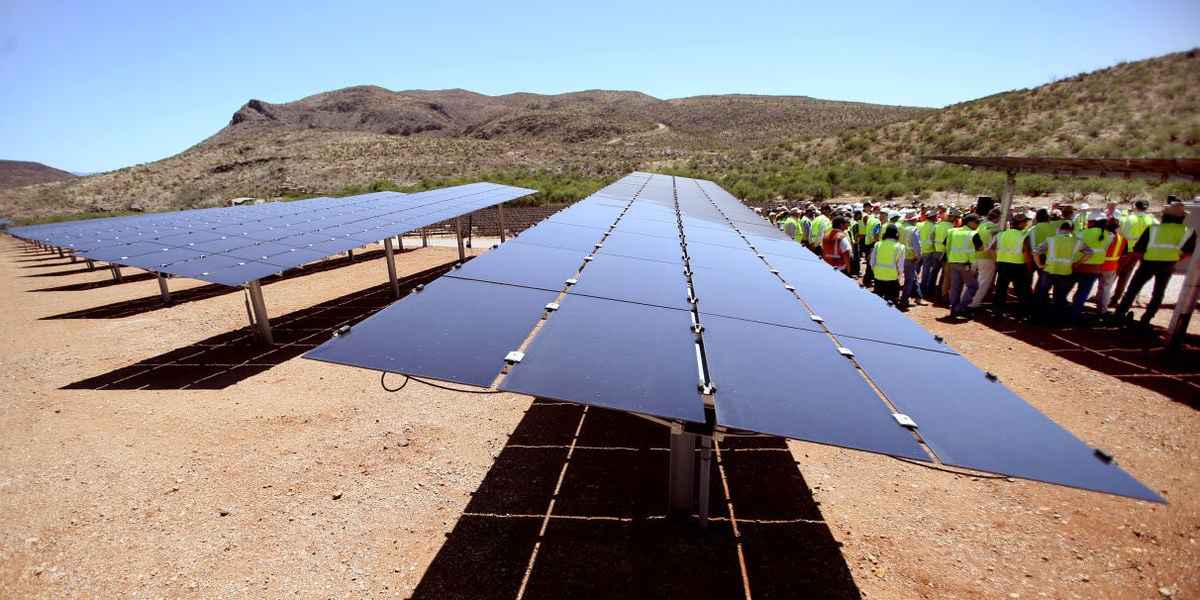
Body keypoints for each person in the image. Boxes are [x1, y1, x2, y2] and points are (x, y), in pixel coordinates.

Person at [1113, 202, 1196, 327]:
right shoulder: (1188, 231)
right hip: (1168, 264)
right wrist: (1175, 259)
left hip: (1148, 262)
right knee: (1158, 293)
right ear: (1182, 217)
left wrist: (1142, 261)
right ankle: (1146, 319)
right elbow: (1189, 252)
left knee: (1132, 290)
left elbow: (1139, 249)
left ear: (1165, 216)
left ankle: (1119, 315)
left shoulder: (1153, 228)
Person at [1032, 221, 1092, 326]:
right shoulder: (1077, 241)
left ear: (1060, 229)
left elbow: (1036, 251)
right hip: (1065, 272)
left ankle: (1035, 317)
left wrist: (1039, 265)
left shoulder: (1051, 240)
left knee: (1041, 294)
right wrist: (1078, 264)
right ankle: (1055, 320)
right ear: (1072, 230)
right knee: (1058, 296)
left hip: (1049, 270)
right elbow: (1089, 253)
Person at [1070, 210, 1115, 323]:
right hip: (1094, 268)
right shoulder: (1110, 236)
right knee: (1083, 292)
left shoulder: (1081, 233)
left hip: (1077, 265)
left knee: (1066, 288)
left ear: (1093, 222)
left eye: (1089, 221)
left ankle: (1060, 311)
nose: (1087, 223)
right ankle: (1073, 315)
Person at [1112, 199, 1157, 303]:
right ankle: (1117, 297)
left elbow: (1117, 234)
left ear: (1135, 207)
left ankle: (1103, 297)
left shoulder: (1126, 219)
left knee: (1113, 274)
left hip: (1125, 251)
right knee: (1126, 276)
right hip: (1141, 252)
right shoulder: (1153, 221)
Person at [992, 212, 1034, 319]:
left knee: (1001, 289)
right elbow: (1026, 254)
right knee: (1021, 290)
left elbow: (991, 249)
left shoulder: (1002, 234)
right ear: (1021, 223)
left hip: (1003, 265)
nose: (1026, 224)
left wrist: (997, 260)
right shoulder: (1024, 236)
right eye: (1025, 222)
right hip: (1018, 265)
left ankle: (997, 311)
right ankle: (1021, 312)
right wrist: (1028, 268)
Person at [945, 213, 983, 318]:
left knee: (955, 287)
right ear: (970, 222)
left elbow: (947, 246)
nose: (978, 224)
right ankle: (961, 307)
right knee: (973, 286)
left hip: (954, 262)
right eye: (977, 222)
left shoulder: (954, 232)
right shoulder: (973, 234)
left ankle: (953, 308)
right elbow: (981, 248)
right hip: (966, 264)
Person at [968, 208, 1002, 311]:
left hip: (975, 256)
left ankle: (964, 298)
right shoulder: (996, 229)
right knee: (983, 283)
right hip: (987, 258)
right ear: (997, 218)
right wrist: (996, 260)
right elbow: (994, 247)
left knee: (970, 280)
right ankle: (974, 303)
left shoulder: (980, 226)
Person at [1095, 213, 1126, 317]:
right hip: (1111, 267)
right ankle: (1102, 309)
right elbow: (1123, 255)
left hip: (1097, 264)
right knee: (1105, 288)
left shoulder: (1102, 236)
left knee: (1092, 286)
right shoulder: (1122, 239)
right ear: (1118, 227)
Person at [870, 224, 904, 304]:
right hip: (892, 278)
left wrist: (875, 271)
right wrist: (898, 277)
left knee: (877, 301)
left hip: (878, 276)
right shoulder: (900, 247)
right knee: (890, 303)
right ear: (896, 234)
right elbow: (900, 266)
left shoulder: (878, 244)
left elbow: (872, 262)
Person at [897, 210, 923, 309]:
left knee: (900, 277)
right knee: (909, 279)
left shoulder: (899, 227)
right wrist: (918, 256)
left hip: (899, 255)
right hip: (909, 257)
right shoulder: (913, 230)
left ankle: (917, 296)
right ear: (914, 219)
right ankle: (904, 300)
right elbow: (917, 245)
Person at [917, 210, 941, 299]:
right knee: (926, 270)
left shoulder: (919, 224)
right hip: (929, 250)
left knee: (916, 269)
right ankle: (923, 287)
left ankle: (913, 284)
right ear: (933, 217)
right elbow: (934, 239)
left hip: (919, 250)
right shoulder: (935, 227)